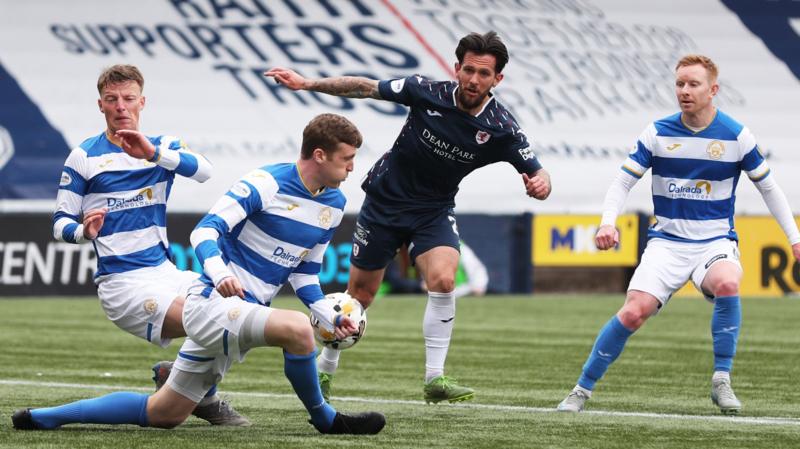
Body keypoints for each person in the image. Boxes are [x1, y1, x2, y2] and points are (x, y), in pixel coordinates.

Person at [13, 113, 386, 435]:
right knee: (296, 330)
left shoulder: (334, 204)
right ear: (320, 155)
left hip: (244, 312)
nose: (353, 167)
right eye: (347, 158)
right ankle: (325, 418)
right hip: (213, 305)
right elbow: (205, 231)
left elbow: (304, 273)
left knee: (165, 414)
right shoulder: (265, 182)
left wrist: (329, 316)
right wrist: (220, 273)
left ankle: (46, 417)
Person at [265, 30, 551, 403]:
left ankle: (435, 379)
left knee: (444, 280)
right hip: (384, 202)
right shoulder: (424, 91)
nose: (474, 80)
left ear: (497, 79)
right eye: (468, 70)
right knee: (359, 296)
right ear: (456, 69)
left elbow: (537, 170)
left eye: (484, 74)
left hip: (433, 211)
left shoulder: (502, 128)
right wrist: (307, 83)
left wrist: (541, 184)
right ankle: (326, 371)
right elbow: (365, 87)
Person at [556, 54, 800, 415]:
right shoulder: (657, 132)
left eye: (693, 84)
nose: (684, 91)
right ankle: (581, 389)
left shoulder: (736, 135)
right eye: (680, 84)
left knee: (728, 283)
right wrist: (608, 221)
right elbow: (623, 180)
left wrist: (794, 238)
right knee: (633, 313)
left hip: (714, 242)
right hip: (666, 244)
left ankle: (722, 379)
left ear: (713, 90)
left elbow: (770, 189)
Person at [49, 64, 247, 425]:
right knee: (218, 321)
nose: (120, 106)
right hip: (123, 284)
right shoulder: (84, 156)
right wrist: (83, 232)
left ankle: (185, 382)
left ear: (142, 102)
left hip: (165, 272)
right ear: (101, 105)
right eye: (112, 99)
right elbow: (60, 222)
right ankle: (203, 395)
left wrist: (152, 153)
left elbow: (204, 170)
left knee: (237, 309)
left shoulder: (163, 146)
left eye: (128, 98)